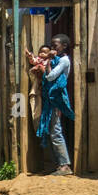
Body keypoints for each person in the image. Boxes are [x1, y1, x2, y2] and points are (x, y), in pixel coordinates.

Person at [39, 34, 75, 175]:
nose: (52, 48)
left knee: (56, 131)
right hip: (51, 97)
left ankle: (64, 166)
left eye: (55, 46)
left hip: (56, 98)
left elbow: (50, 76)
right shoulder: (57, 59)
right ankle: (60, 164)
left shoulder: (64, 61)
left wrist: (48, 60)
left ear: (64, 46)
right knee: (54, 130)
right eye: (51, 45)